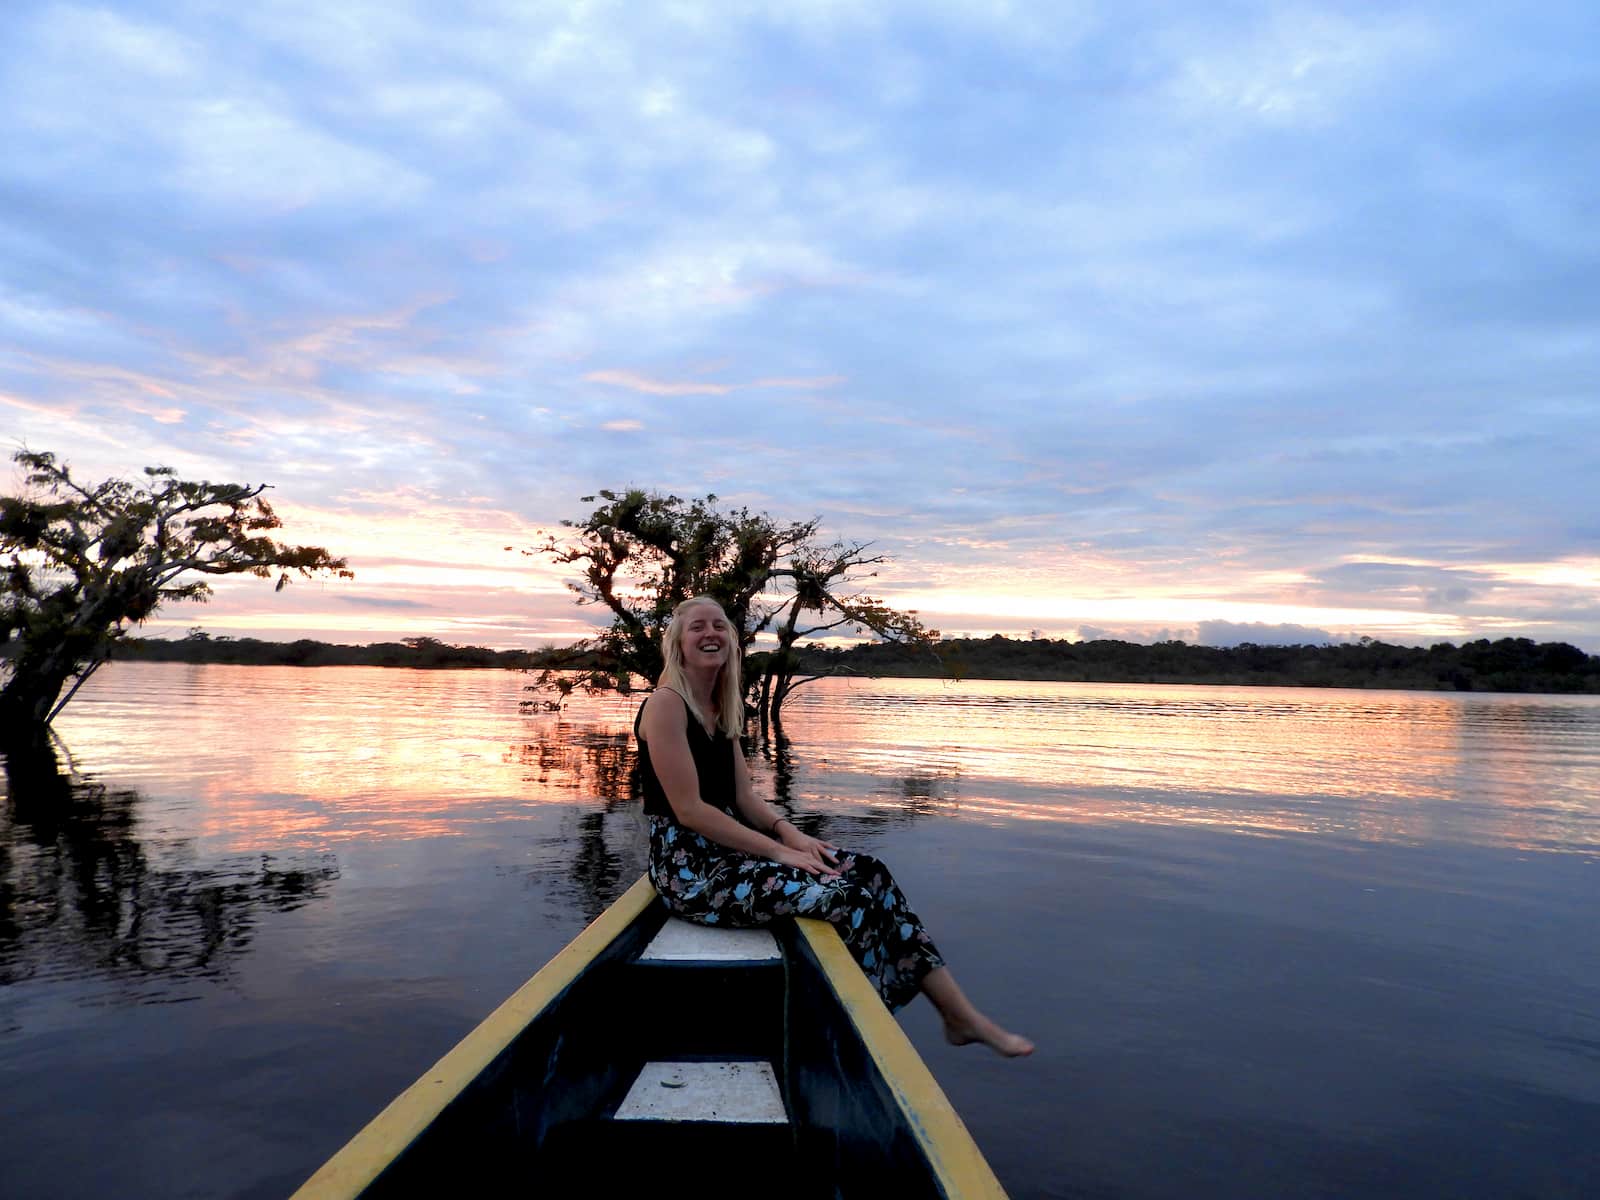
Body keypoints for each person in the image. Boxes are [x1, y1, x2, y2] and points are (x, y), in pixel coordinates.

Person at [635, 595, 1033, 1058]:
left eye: (719, 625)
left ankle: (959, 1015)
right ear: (678, 645)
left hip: (728, 854)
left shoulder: (721, 709)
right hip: (689, 871)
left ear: (732, 640)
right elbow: (690, 810)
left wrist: (791, 834)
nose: (711, 634)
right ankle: (864, 1029)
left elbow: (743, 797)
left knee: (870, 874)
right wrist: (778, 853)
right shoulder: (666, 705)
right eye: (697, 627)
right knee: (839, 895)